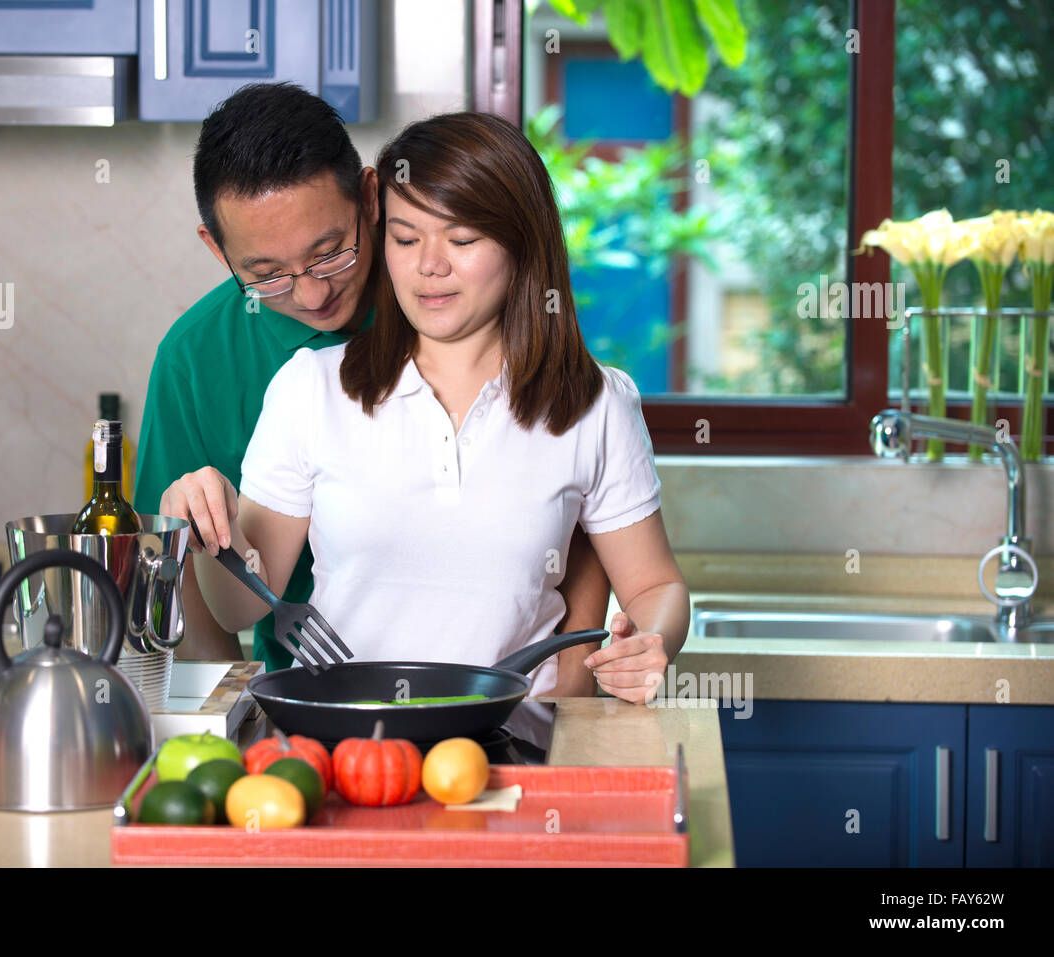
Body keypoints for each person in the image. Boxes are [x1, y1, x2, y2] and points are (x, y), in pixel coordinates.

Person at [161, 111, 689, 700]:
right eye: (405, 238)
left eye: (462, 240)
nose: (429, 265)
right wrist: (213, 530)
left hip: (518, 751)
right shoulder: (309, 387)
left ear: (523, 241)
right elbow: (237, 608)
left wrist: (651, 640)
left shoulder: (596, 401)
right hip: (352, 748)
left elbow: (654, 586)